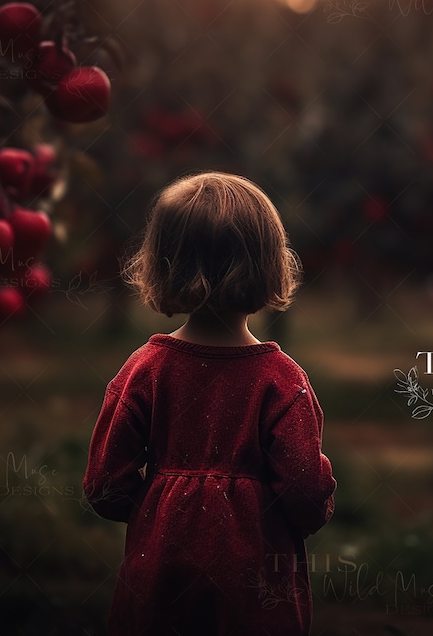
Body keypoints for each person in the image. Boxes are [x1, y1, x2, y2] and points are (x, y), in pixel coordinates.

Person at [84, 171, 336, 635]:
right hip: (254, 588)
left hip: (157, 576)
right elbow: (304, 491)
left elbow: (104, 484)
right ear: (269, 266)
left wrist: (159, 510)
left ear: (161, 265)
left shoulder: (144, 370)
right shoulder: (282, 382)